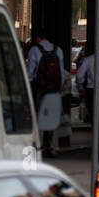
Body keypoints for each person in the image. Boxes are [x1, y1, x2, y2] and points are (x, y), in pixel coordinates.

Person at [26, 28, 67, 156]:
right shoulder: (58, 50)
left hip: (40, 88)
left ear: (37, 38)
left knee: (38, 115)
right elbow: (61, 72)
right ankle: (51, 147)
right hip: (54, 89)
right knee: (52, 115)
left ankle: (39, 146)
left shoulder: (34, 50)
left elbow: (30, 73)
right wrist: (58, 87)